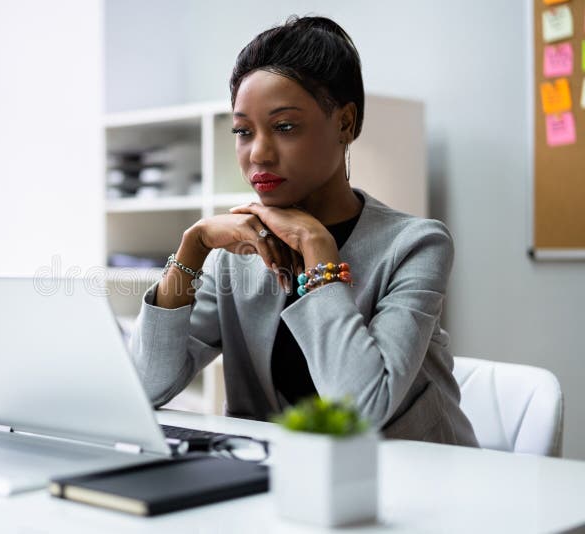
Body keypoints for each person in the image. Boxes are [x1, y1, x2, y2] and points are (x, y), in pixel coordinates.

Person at [129, 16, 478, 446]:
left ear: (345, 124)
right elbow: (144, 387)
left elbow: (359, 410)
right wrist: (192, 248)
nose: (258, 152)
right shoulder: (234, 250)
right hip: (277, 482)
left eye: (285, 126)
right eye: (243, 131)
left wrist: (318, 249)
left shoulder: (416, 246)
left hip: (414, 483)